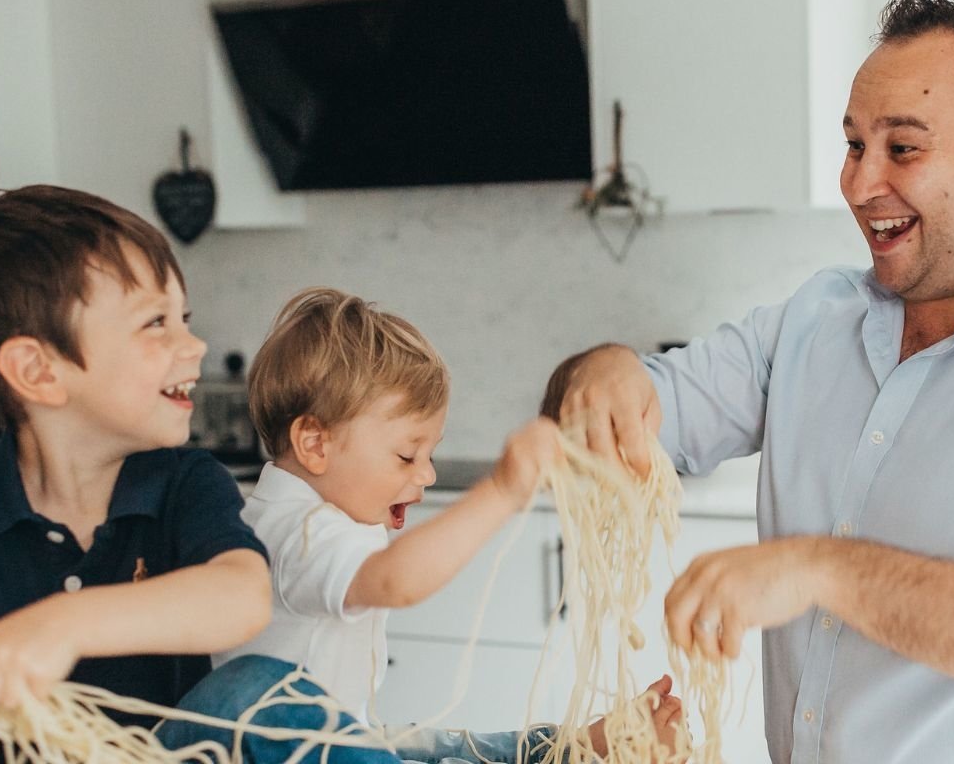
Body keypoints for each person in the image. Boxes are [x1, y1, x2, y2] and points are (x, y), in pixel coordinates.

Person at [543, 0, 954, 764]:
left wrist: (822, 571)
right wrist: (601, 373)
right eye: (855, 145)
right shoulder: (815, 319)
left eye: (903, 149)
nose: (858, 184)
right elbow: (635, 410)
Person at [0, 186, 399, 764]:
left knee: (253, 683)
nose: (193, 345)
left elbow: (239, 597)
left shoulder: (182, 484)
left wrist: (64, 625)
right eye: (156, 323)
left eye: (185, 317)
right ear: (38, 372)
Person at [216, 287, 684, 764]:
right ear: (314, 444)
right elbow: (394, 580)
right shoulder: (296, 530)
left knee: (443, 747)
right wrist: (503, 488)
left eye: (430, 454)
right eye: (406, 455)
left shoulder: (304, 518)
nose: (427, 475)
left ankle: (578, 747)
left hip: (352, 737)